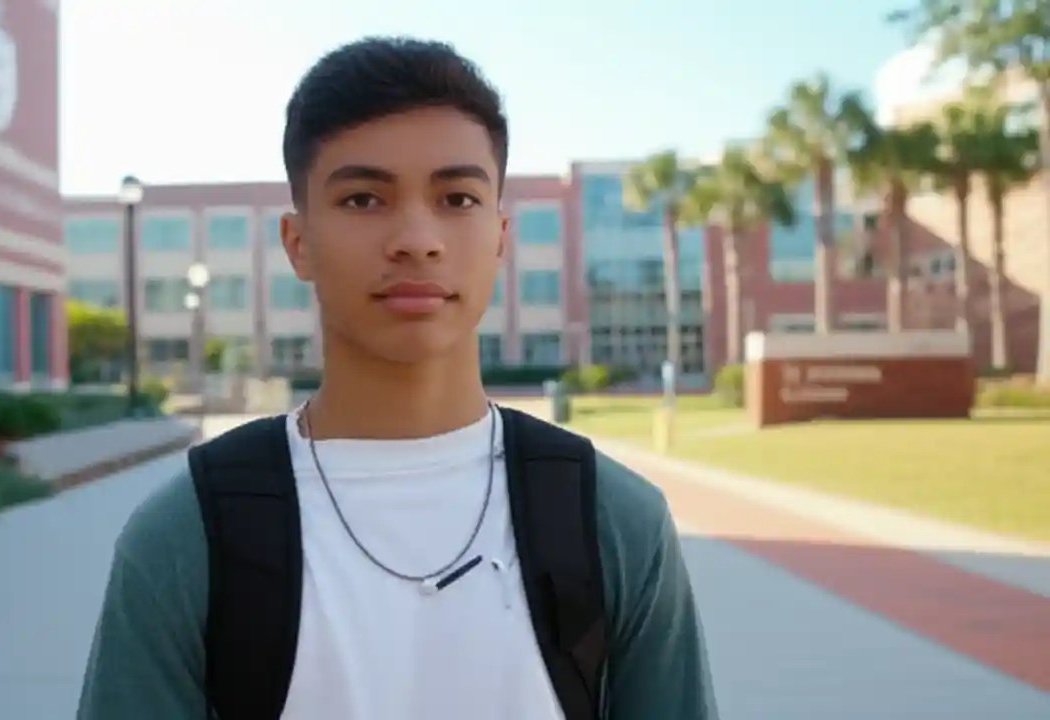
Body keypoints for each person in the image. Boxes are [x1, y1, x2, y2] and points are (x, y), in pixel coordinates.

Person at [77, 36, 718, 720]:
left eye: (458, 198)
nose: (416, 237)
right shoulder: (189, 535)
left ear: (500, 236)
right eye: (362, 199)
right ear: (299, 243)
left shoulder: (612, 521)